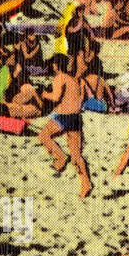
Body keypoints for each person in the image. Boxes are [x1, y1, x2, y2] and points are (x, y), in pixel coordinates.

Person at [38, 54, 93, 198]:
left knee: (43, 136)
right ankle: (86, 183)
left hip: (63, 116)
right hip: (76, 118)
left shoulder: (59, 78)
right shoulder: (72, 79)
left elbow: (55, 97)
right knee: (76, 155)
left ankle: (60, 157)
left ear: (56, 65)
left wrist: (44, 94)